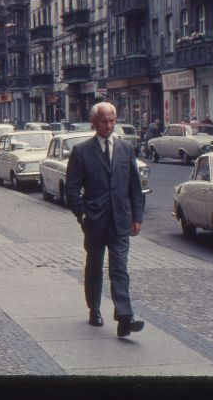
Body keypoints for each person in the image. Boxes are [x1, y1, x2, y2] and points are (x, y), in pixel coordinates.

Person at [65, 102, 145, 338]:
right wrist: (82, 214)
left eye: (112, 120)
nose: (109, 125)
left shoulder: (125, 148)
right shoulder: (81, 151)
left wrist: (137, 217)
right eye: (104, 121)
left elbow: (134, 187)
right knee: (95, 267)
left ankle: (124, 318)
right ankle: (95, 309)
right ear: (94, 123)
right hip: (94, 221)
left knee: (120, 268)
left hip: (120, 220)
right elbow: (72, 190)